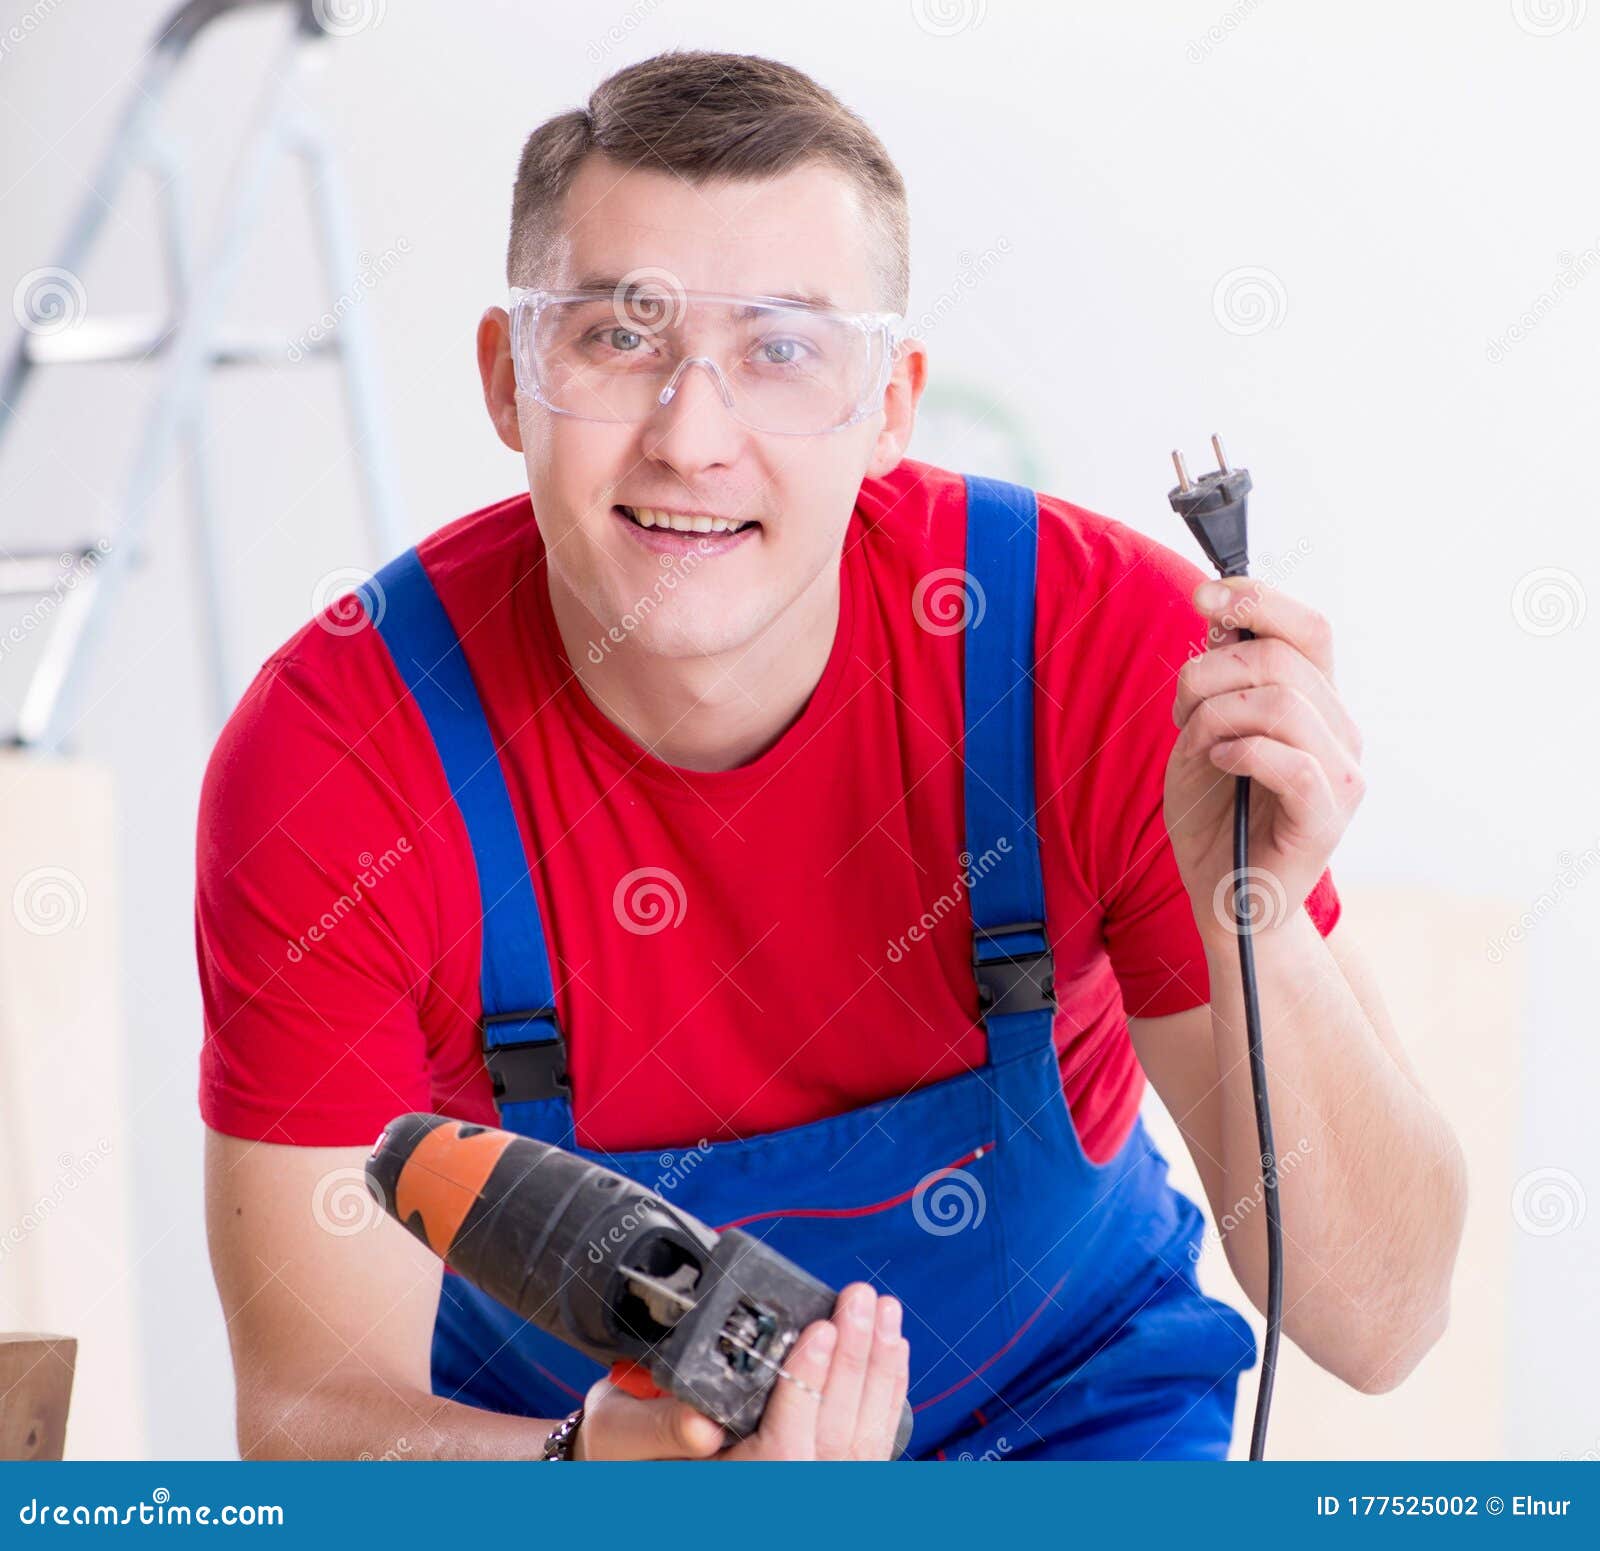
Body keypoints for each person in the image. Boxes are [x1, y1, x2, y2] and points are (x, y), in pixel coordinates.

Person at [198, 50, 1466, 1462]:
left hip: (1071, 1439)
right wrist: (592, 1482)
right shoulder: (343, 753)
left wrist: (1262, 927)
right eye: (619, 336)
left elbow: (1382, 1322)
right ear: (510, 380)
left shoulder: (1097, 650)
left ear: (891, 407)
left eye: (782, 350)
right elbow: (312, 1422)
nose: (692, 436)